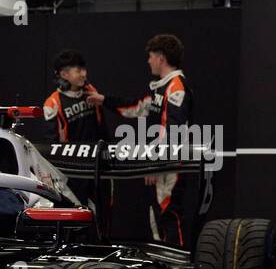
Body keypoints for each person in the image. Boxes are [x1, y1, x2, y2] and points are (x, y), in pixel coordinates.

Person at [87, 33, 196, 246]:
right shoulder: (161, 87)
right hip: (162, 162)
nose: (148, 61)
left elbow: (174, 131)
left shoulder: (176, 88)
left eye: (151, 56)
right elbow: (138, 107)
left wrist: (156, 164)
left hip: (170, 165)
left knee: (169, 215)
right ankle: (164, 267)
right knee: (157, 216)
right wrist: (104, 100)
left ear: (161, 58)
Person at [43, 49, 104, 145]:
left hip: (95, 154)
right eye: (78, 71)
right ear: (64, 74)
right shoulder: (52, 103)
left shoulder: (91, 90)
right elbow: (52, 143)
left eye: (84, 69)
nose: (84, 74)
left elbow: (102, 126)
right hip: (71, 158)